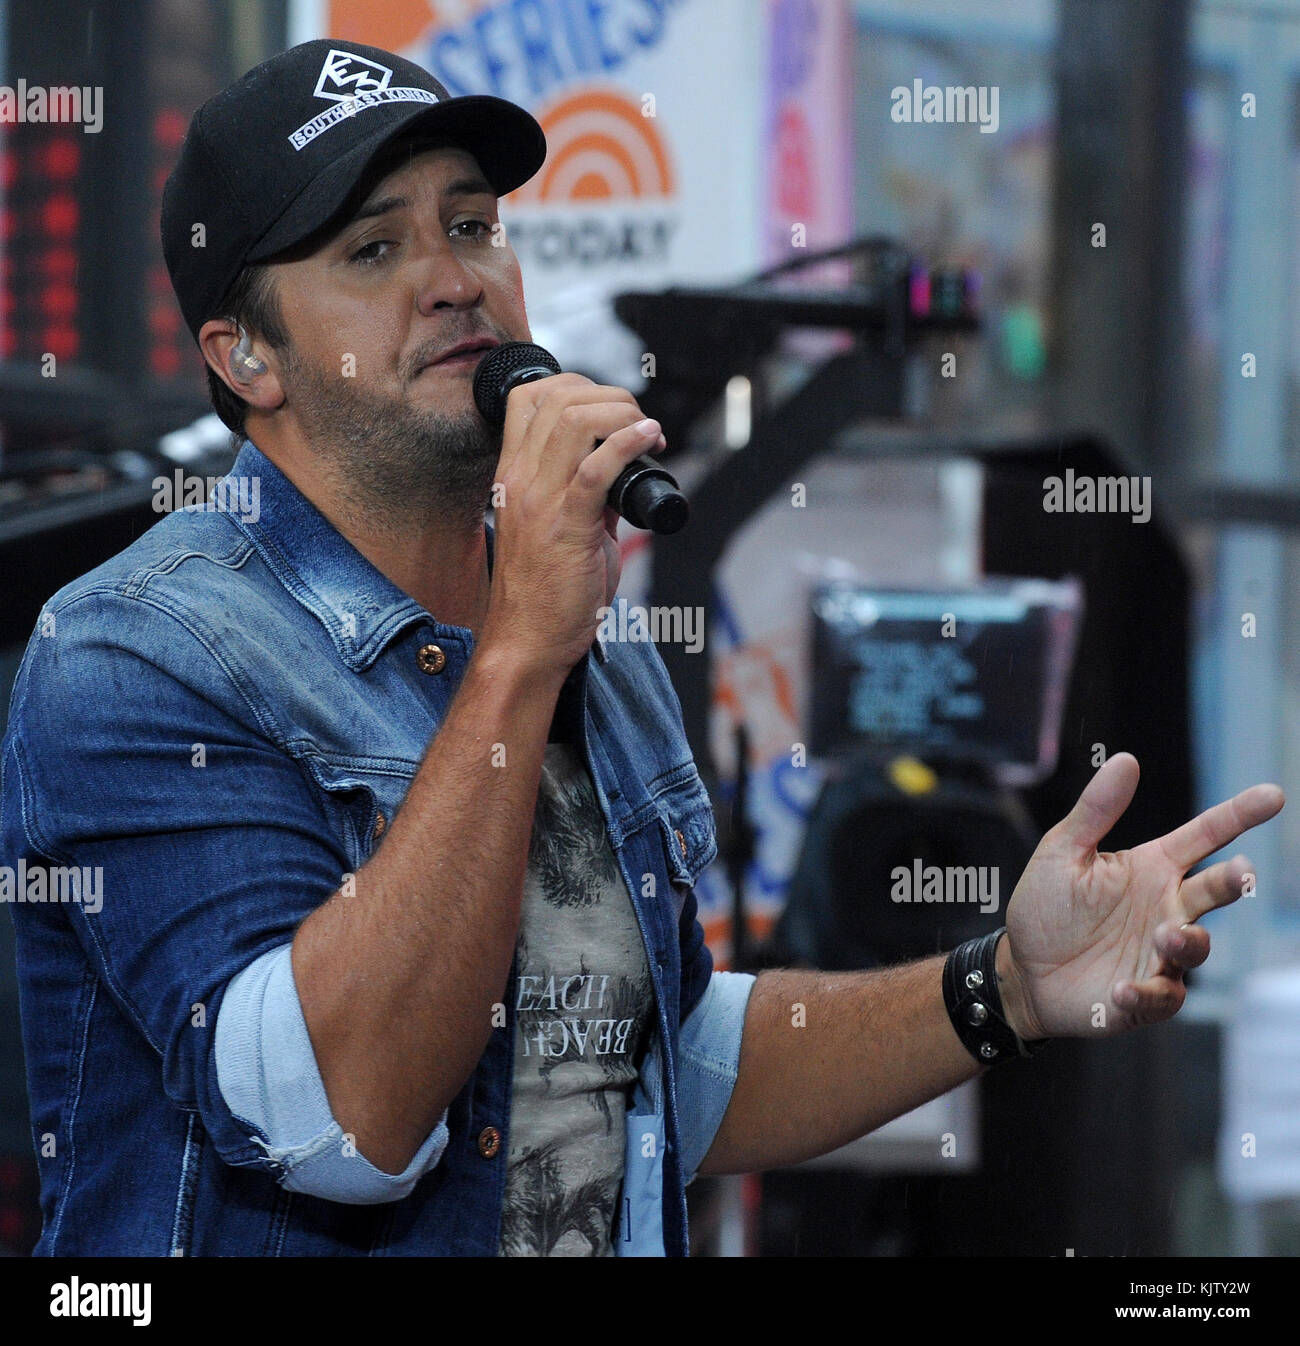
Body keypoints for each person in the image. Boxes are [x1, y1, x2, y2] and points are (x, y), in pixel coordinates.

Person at [0, 39, 1284, 1258]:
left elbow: (661, 1048)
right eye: (373, 246)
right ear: (247, 356)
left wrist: (1000, 982)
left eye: (470, 224)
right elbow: (342, 1112)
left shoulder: (571, 641)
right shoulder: (135, 656)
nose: (454, 278)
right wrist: (519, 657)